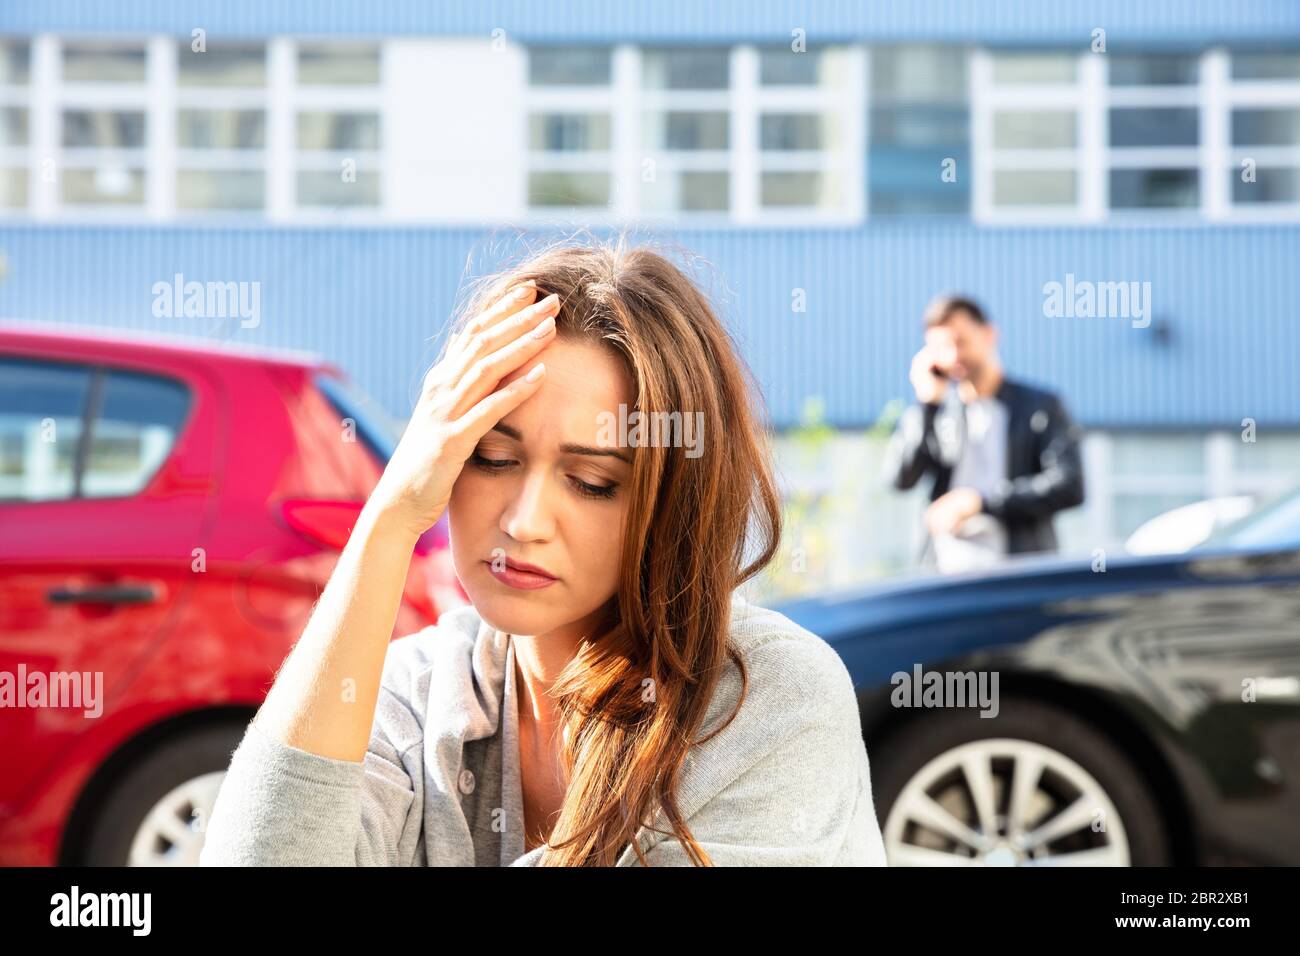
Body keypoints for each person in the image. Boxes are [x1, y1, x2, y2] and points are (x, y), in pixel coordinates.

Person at [200, 239, 888, 866]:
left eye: (592, 482)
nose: (524, 522)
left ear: (673, 506)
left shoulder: (771, 696)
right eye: (492, 457)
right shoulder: (418, 692)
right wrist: (387, 522)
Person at [884, 293, 1085, 573]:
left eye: (960, 342)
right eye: (941, 348)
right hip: (945, 573)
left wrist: (981, 502)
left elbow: (1069, 486)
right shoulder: (936, 411)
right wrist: (927, 406)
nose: (953, 356)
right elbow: (901, 480)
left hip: (1018, 573)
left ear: (989, 335)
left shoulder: (1040, 407)